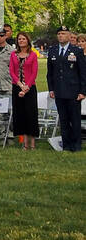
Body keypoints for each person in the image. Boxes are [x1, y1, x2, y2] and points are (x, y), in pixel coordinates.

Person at [47, 24, 86, 153]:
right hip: (59, 90)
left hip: (73, 91)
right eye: (59, 34)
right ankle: (66, 145)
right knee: (63, 120)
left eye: (63, 34)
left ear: (69, 36)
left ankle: (76, 145)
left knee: (74, 119)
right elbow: (50, 73)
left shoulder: (77, 51)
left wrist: (82, 91)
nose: (61, 36)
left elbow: (83, 73)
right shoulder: (52, 50)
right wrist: (51, 89)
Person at [9, 32, 38, 149]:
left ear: (27, 41)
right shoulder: (13, 54)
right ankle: (25, 143)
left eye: (23, 39)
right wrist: (20, 85)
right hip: (17, 87)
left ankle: (33, 144)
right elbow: (11, 71)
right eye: (19, 39)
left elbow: (34, 72)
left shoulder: (33, 55)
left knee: (30, 115)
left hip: (30, 88)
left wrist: (26, 88)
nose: (21, 41)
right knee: (21, 115)